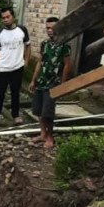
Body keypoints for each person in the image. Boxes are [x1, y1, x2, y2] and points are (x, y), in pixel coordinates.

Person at [28, 16, 71, 148]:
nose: (49, 30)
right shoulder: (44, 44)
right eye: (47, 28)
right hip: (41, 82)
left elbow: (67, 65)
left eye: (52, 28)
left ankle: (50, 137)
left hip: (53, 83)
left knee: (48, 113)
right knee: (39, 111)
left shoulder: (65, 45)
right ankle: (42, 134)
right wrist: (33, 80)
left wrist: (63, 84)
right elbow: (39, 63)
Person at [0, 7, 30, 125]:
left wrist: (26, 60)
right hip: (2, 68)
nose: (5, 20)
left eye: (8, 17)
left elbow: (28, 45)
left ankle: (16, 115)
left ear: (13, 17)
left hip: (17, 67)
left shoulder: (22, 30)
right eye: (3, 18)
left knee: (15, 92)